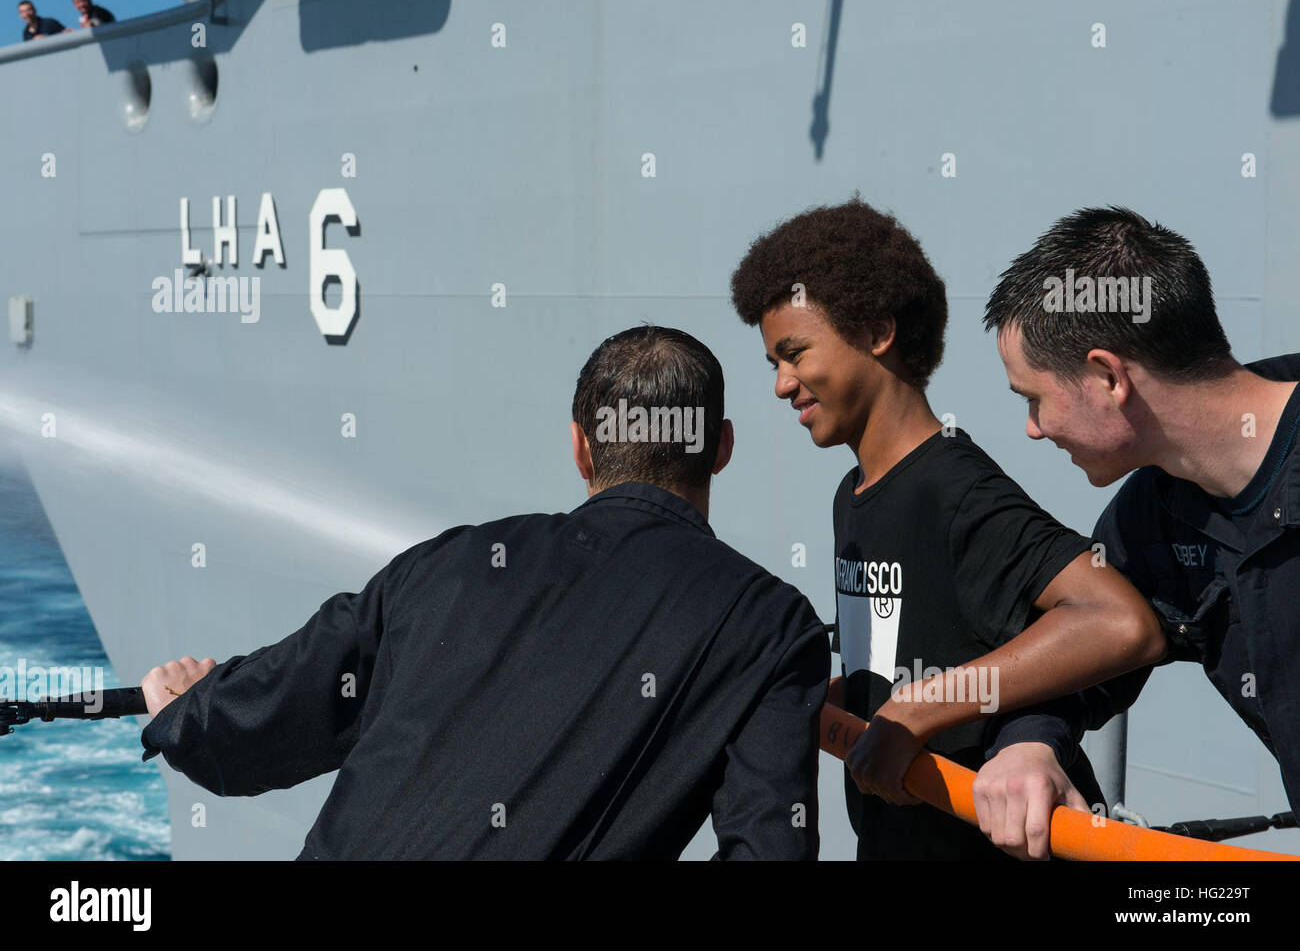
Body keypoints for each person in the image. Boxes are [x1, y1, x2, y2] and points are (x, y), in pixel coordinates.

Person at [139, 326, 831, 860]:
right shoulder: (771, 627)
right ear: (721, 448)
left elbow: (288, 700)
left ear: (581, 449)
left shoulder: (452, 562)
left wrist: (189, 710)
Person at [729, 196, 1167, 860]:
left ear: (879, 333)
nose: (782, 384)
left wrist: (920, 707)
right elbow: (900, 666)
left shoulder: (953, 490)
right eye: (774, 364)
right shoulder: (852, 497)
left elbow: (1119, 621)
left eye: (794, 354)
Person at [978, 205, 1300, 853]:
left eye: (1032, 397)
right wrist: (1028, 744)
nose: (1033, 428)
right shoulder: (1148, 521)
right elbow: (1082, 652)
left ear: (1107, 376)